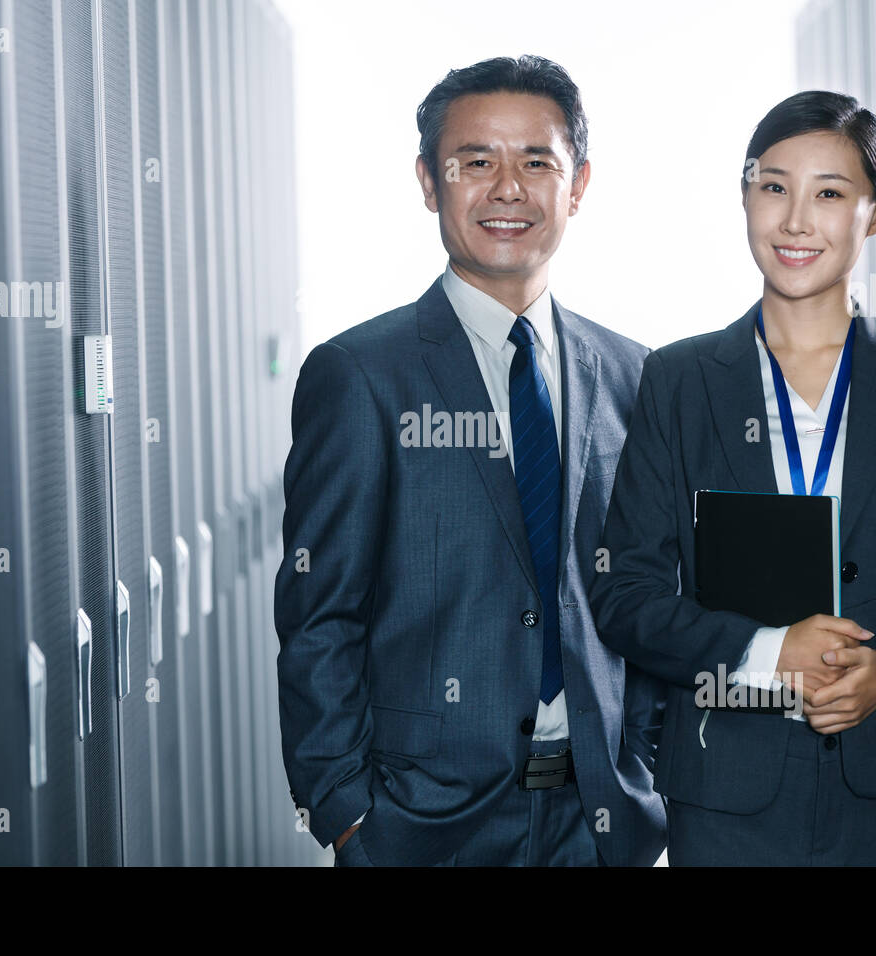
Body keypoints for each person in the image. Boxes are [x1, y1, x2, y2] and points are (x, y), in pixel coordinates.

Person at [590, 90, 876, 865]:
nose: (796, 221)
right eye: (774, 187)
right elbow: (625, 595)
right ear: (745, 197)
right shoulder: (679, 379)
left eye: (829, 194)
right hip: (725, 789)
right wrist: (770, 653)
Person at [274, 55, 666, 867]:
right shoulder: (361, 376)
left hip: (600, 823)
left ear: (578, 184)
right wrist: (346, 813)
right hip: (422, 826)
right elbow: (321, 617)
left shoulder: (636, 376)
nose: (508, 189)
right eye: (476, 162)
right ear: (429, 181)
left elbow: (654, 600)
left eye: (537, 162)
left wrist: (648, 770)